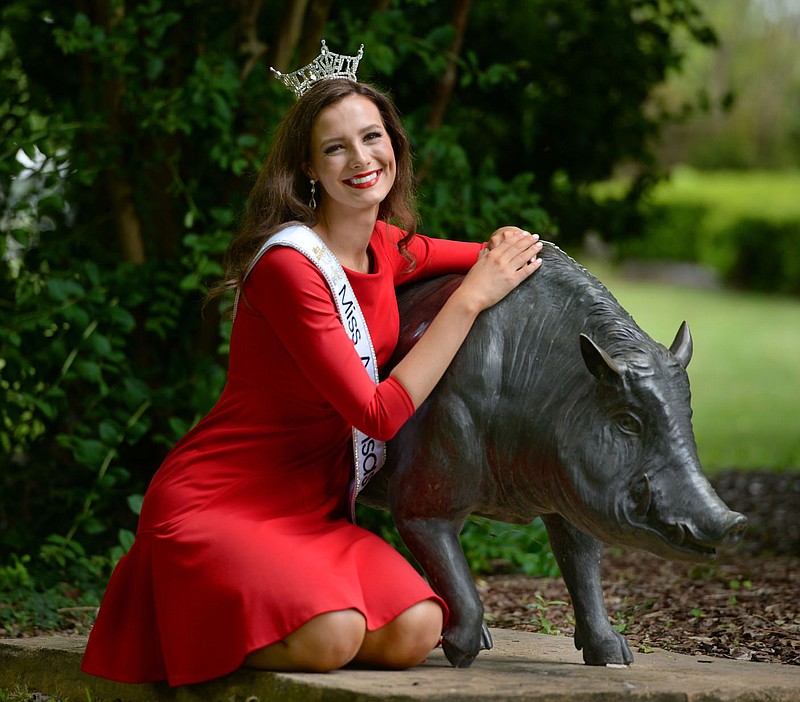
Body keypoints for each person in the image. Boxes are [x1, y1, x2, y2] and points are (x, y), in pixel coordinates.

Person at [81, 42, 542, 687]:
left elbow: (486, 256)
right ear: (308, 168)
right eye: (335, 148)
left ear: (395, 147)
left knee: (414, 630)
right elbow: (377, 414)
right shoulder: (290, 268)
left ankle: (272, 615)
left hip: (312, 511)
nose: (361, 160)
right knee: (332, 635)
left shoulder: (388, 248)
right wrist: (467, 302)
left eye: (372, 137)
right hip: (223, 501)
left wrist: (509, 247)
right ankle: (187, 626)